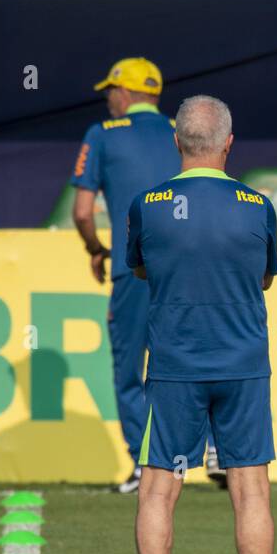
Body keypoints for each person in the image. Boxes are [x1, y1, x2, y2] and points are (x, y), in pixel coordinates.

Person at [125, 95, 277, 554]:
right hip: (242, 365)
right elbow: (264, 279)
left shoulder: (149, 204)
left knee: (158, 490)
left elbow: (142, 268)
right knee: (250, 489)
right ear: (228, 144)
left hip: (174, 366)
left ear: (177, 142)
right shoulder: (258, 205)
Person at [71, 57, 227, 493]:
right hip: (193, 268)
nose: (108, 100)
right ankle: (217, 448)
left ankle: (146, 465)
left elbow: (83, 213)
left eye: (109, 92)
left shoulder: (102, 134)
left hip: (133, 268)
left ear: (123, 93)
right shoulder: (184, 134)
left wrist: (96, 249)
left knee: (129, 368)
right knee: (202, 356)